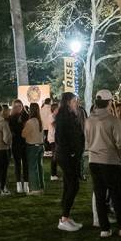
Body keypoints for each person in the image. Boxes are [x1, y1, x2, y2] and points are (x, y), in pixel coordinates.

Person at [85, 90, 121, 238]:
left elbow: (86, 140)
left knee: (99, 194)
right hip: (109, 160)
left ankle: (105, 228)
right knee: (117, 194)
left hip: (93, 160)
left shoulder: (89, 119)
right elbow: (120, 142)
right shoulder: (112, 120)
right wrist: (118, 154)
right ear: (109, 102)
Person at [53, 91, 85, 231]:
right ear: (67, 102)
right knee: (73, 185)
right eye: (74, 101)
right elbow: (61, 138)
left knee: (69, 184)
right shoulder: (63, 117)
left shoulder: (71, 115)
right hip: (67, 155)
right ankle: (64, 217)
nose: (76, 103)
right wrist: (71, 152)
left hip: (71, 155)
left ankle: (65, 216)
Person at [23, 104, 45, 195]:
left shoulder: (30, 122)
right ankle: (41, 186)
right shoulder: (40, 121)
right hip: (40, 145)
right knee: (39, 167)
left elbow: (23, 134)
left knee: (32, 168)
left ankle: (35, 188)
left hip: (32, 146)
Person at [8, 99, 28, 193]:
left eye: (20, 106)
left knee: (25, 163)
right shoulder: (11, 117)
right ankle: (18, 184)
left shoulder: (26, 116)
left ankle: (26, 184)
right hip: (16, 143)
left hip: (25, 142)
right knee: (17, 164)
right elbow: (11, 131)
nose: (18, 108)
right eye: (16, 106)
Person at [42, 98, 58, 181]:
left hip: (55, 138)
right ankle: (53, 174)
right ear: (54, 110)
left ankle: (55, 173)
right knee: (54, 156)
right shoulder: (51, 116)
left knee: (56, 156)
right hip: (52, 139)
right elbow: (56, 125)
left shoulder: (55, 116)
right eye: (58, 109)